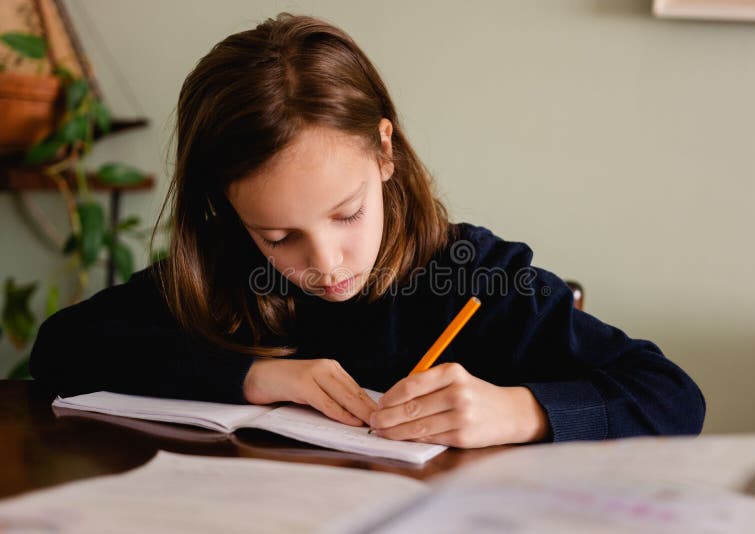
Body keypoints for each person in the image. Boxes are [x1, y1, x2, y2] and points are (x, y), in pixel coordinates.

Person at [29, 13, 705, 448]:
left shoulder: (472, 275)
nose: (324, 263)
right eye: (276, 236)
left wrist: (520, 411)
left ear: (385, 151)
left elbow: (672, 395)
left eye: (346, 214)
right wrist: (254, 378)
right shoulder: (226, 270)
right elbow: (62, 350)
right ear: (230, 215)